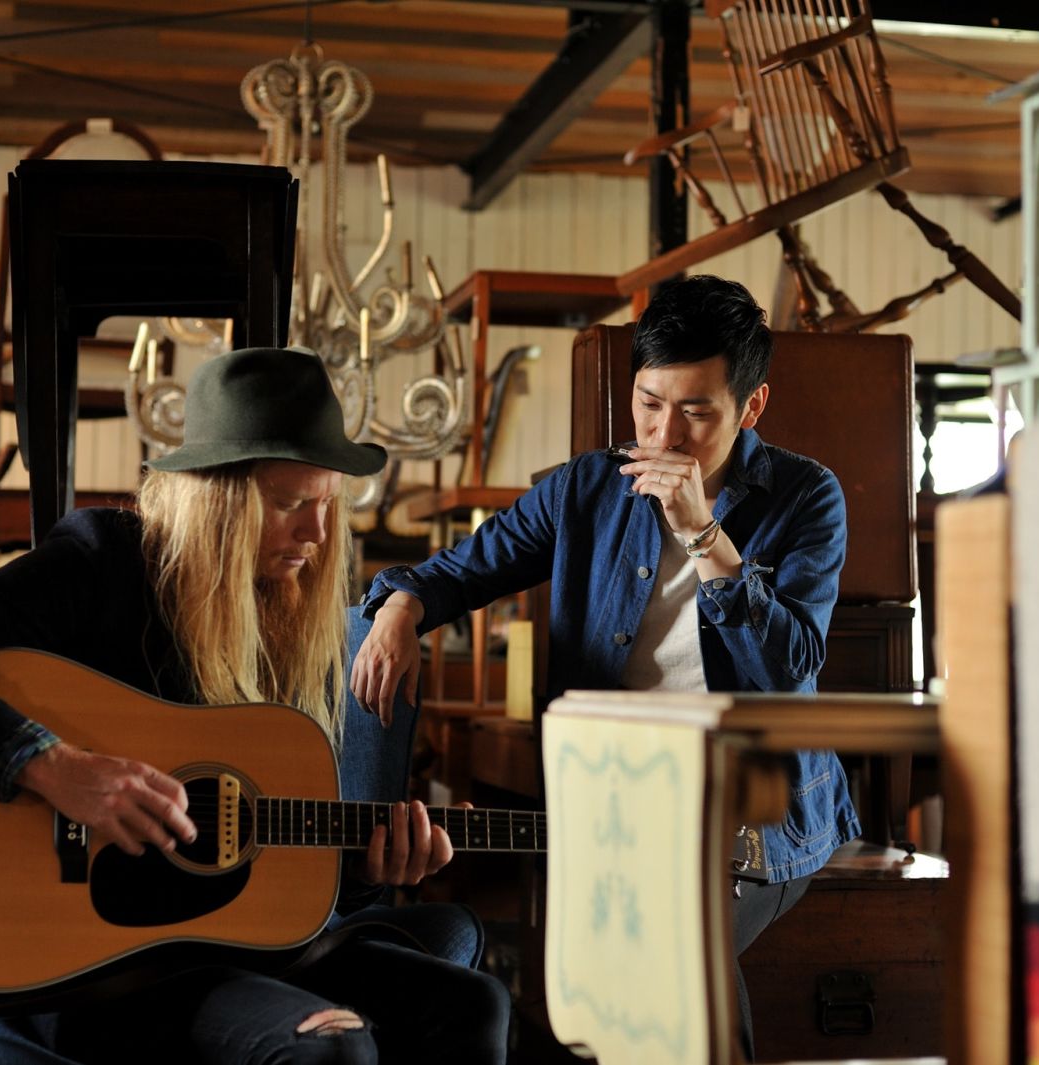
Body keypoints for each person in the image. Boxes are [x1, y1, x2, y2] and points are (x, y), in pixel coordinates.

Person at [0, 347, 510, 1065]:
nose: (317, 535)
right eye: (290, 505)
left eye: (327, 505)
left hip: (223, 948)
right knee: (333, 1051)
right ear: (217, 500)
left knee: (474, 1005)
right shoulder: (104, 563)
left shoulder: (291, 622)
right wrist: (48, 765)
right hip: (93, 961)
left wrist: (374, 868)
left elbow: (281, 876)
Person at [350, 274, 861, 1061]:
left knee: (677, 940)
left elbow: (789, 668)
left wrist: (705, 536)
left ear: (751, 406)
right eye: (650, 403)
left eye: (696, 412)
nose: (665, 433)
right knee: (600, 982)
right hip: (618, 798)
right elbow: (463, 567)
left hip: (758, 809)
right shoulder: (589, 486)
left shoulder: (807, 496)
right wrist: (401, 605)